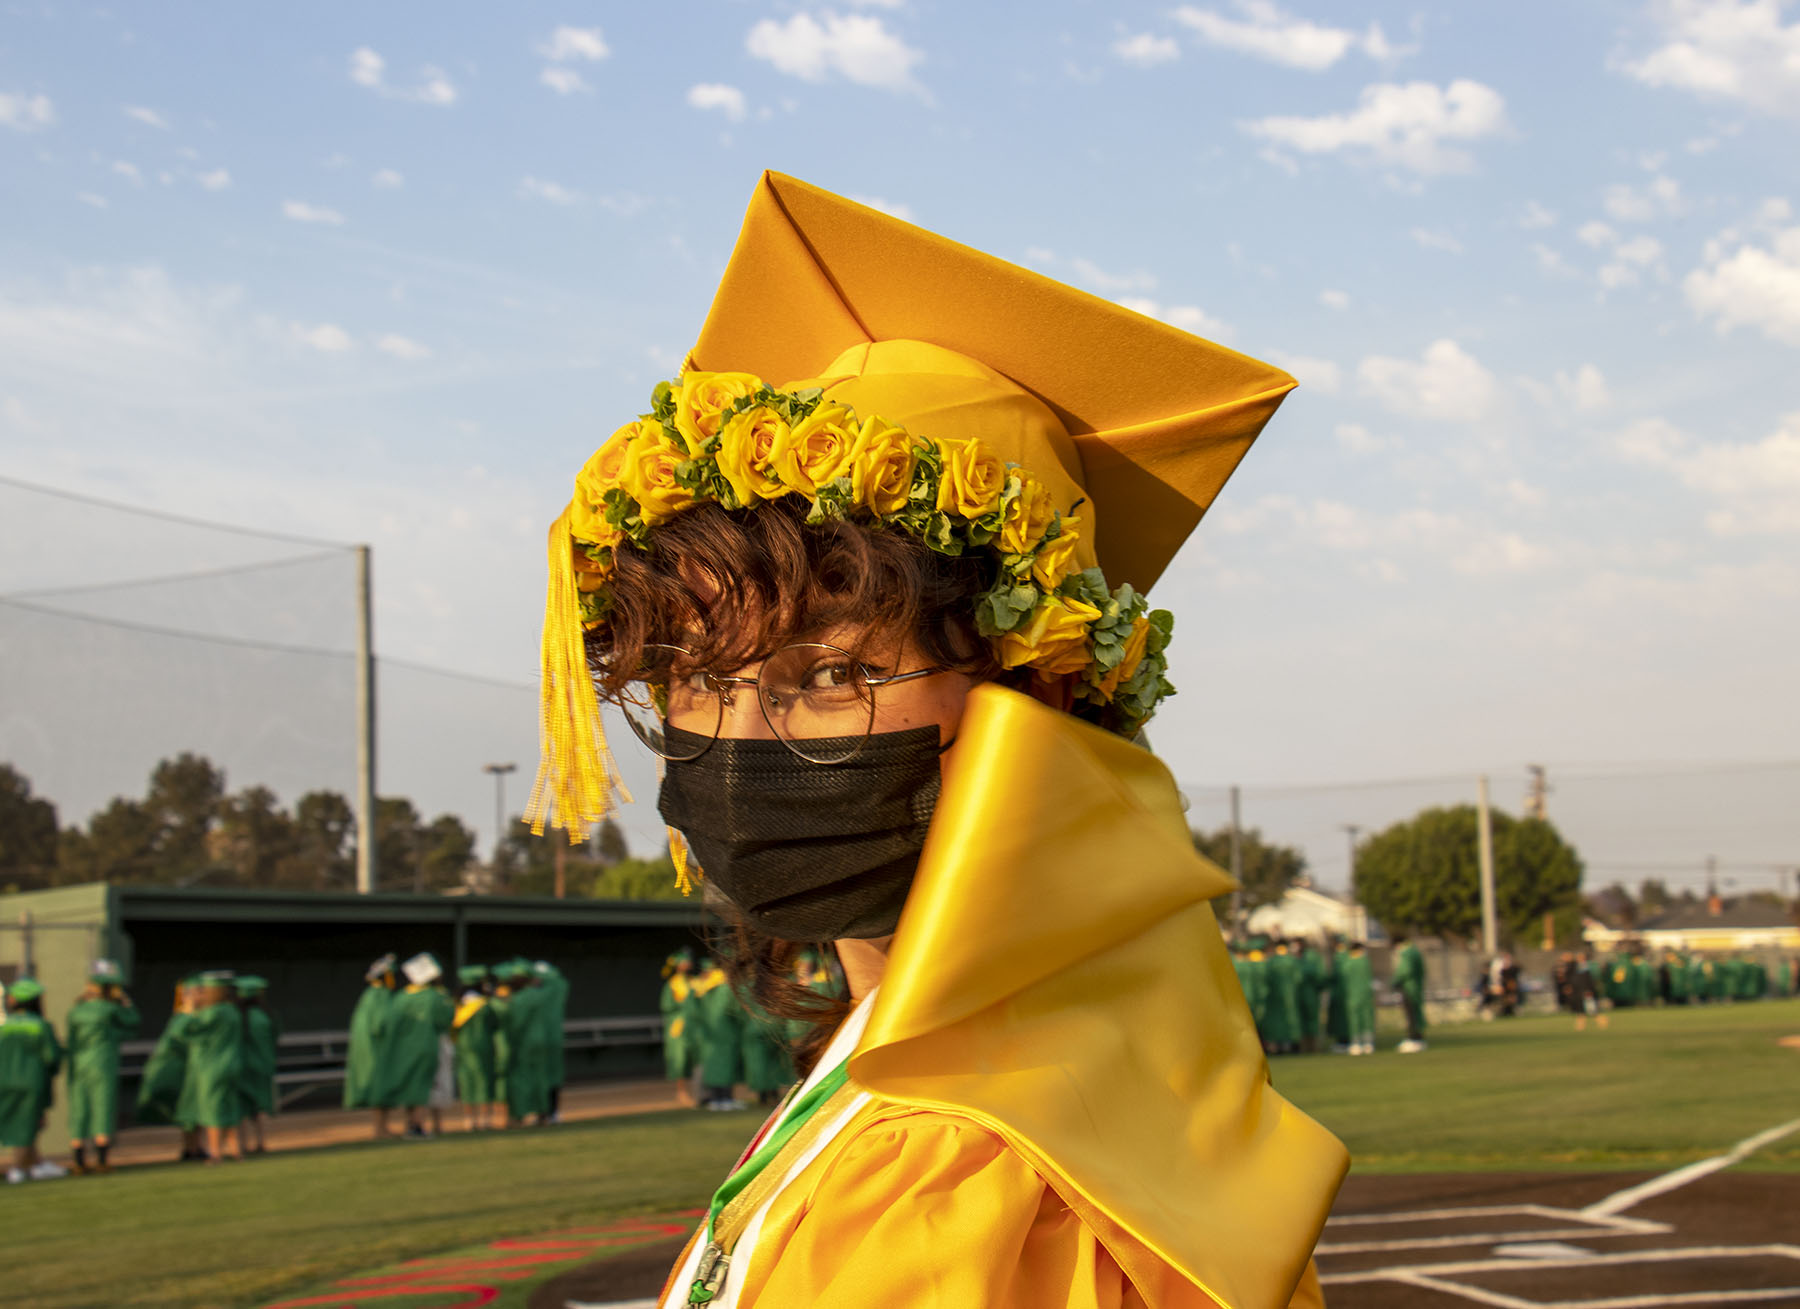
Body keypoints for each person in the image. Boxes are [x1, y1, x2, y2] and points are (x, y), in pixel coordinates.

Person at [523, 174, 1344, 1306]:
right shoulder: (1017, 1065)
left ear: (1036, 692)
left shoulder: (968, 1171)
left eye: (834, 675)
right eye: (699, 679)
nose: (740, 739)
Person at [63, 958, 140, 1175]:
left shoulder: (77, 1010)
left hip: (79, 1062)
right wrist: (124, 1001)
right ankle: (102, 1160)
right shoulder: (110, 1008)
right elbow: (133, 1021)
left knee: (79, 1109)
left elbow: (71, 1042)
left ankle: (78, 1160)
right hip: (102, 1062)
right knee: (102, 1107)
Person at [1, 977, 65, 1183]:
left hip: (4, 1082)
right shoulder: (40, 1026)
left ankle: (37, 1164)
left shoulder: (4, 1026)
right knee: (27, 1125)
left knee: (20, 1124)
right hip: (31, 1082)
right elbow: (52, 1057)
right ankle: (18, 1168)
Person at [136, 976, 204, 1161]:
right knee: (189, 1110)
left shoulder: (188, 1017)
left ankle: (194, 1147)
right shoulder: (183, 1019)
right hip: (179, 1071)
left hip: (185, 1069)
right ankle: (191, 1148)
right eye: (198, 992)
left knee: (191, 1112)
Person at [390, 952, 455, 1139]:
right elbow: (446, 1019)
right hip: (427, 1045)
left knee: (410, 1084)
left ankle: (410, 1123)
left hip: (404, 1048)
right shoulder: (435, 997)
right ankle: (418, 1126)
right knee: (424, 1084)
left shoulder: (401, 997)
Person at [184, 971, 246, 1162]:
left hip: (213, 1066)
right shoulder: (233, 1011)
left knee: (212, 1109)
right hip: (233, 1063)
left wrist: (188, 1010)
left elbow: (186, 1031)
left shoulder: (213, 1012)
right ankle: (236, 1150)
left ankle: (215, 1152)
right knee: (230, 1107)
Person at [345, 953, 398, 1138]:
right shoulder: (381, 995)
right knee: (380, 1086)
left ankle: (382, 1128)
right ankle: (380, 1129)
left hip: (366, 1048)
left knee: (379, 1086)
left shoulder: (368, 995)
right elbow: (380, 1024)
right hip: (377, 1049)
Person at [493, 960, 550, 1127]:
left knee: (522, 1079)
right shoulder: (539, 994)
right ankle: (542, 1113)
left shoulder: (521, 998)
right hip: (541, 1040)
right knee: (539, 1078)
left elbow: (516, 1023)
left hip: (525, 1042)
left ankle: (521, 1114)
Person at [689, 957, 745, 1111]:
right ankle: (723, 1099)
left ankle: (720, 1099)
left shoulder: (702, 989)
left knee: (716, 1068)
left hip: (710, 1035)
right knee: (723, 1067)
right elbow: (735, 1010)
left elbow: (696, 1013)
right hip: (725, 1033)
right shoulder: (724, 988)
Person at [234, 976, 280, 1154]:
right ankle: (261, 1141)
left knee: (243, 1107)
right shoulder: (265, 1016)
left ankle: (243, 1144)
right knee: (259, 1106)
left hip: (243, 1066)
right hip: (262, 1065)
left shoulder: (237, 1017)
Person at [452, 964, 498, 1131]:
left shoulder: (458, 1005)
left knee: (466, 1082)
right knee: (483, 1080)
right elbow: (495, 1023)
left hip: (462, 1048)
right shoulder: (485, 1005)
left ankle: (469, 1120)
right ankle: (485, 1120)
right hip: (483, 1047)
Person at [660, 949, 701, 1108]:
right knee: (679, 1059)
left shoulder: (693, 981)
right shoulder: (672, 984)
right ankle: (681, 1092)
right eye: (684, 962)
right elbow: (666, 1006)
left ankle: (697, 1091)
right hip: (678, 1027)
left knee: (696, 1057)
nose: (687, 964)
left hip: (693, 1026)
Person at [532, 960, 570, 1124]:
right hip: (549, 1039)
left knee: (547, 1078)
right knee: (549, 1078)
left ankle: (547, 1113)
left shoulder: (539, 992)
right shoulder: (558, 986)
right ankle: (548, 1113)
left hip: (541, 1039)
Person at [1391, 933, 1428, 1053]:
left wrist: (1395, 981)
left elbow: (1405, 970)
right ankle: (1418, 1039)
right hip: (1416, 987)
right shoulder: (1415, 951)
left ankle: (1413, 1039)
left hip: (1409, 987)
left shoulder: (1407, 953)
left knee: (1411, 1015)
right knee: (1416, 1013)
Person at [1342, 941, 1377, 1056]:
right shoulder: (1364, 961)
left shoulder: (1347, 962)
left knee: (1355, 1019)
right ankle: (1368, 1043)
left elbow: (1344, 979)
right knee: (1366, 1019)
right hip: (1365, 995)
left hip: (1352, 995)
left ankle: (1356, 1043)